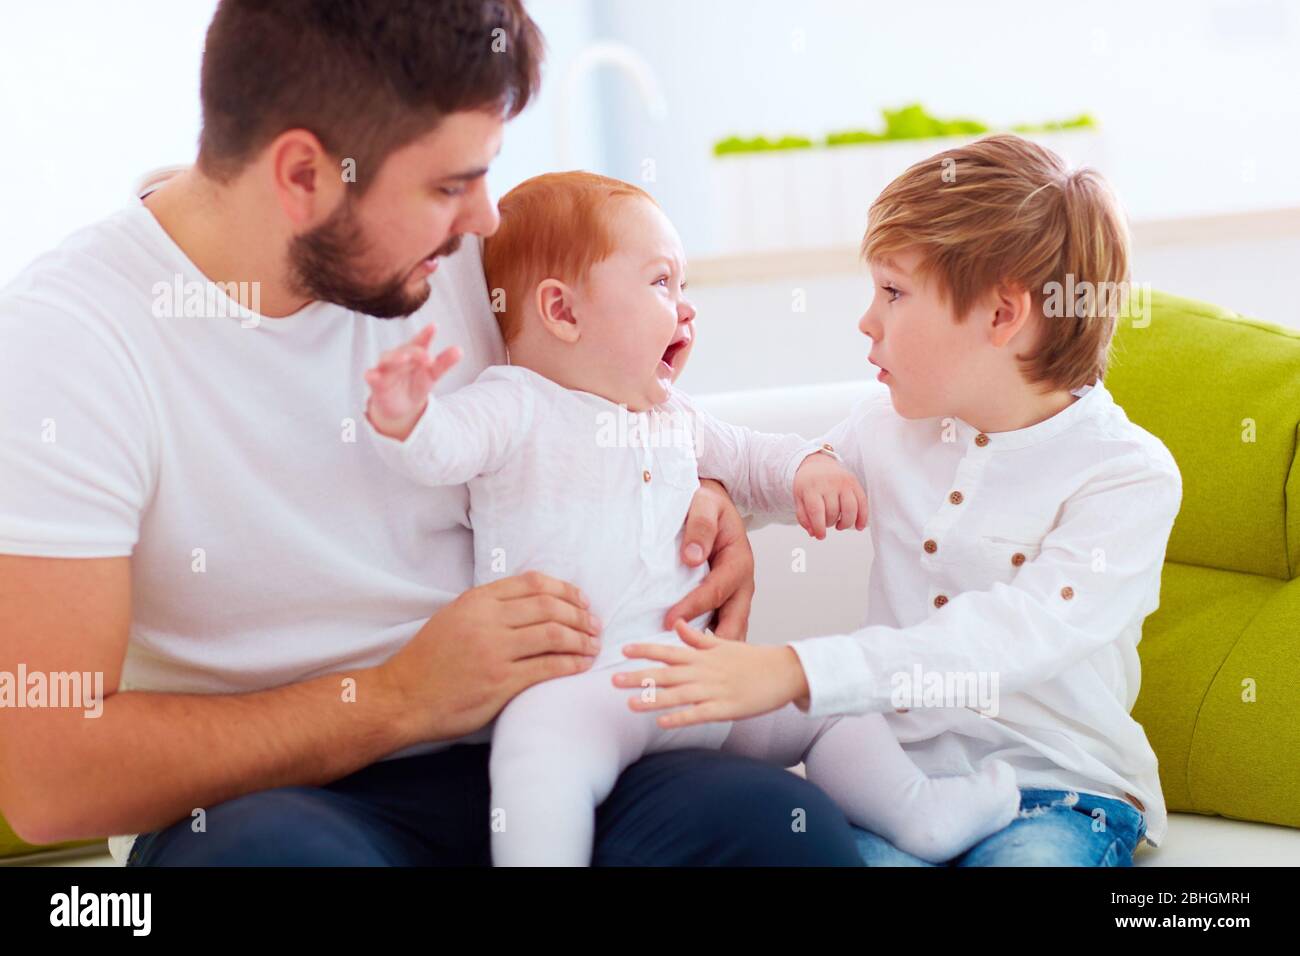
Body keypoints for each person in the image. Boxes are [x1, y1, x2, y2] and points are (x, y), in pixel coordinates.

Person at [0, 0, 862, 867]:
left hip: (556, 740)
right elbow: (48, 778)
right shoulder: (72, 342)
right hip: (274, 804)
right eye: (450, 186)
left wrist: (703, 501)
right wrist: (397, 698)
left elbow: (619, 418)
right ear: (304, 174)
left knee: (781, 834)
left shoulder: (468, 268)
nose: (485, 220)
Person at [362, 171, 1020, 865]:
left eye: (685, 287)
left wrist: (808, 470)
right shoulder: (517, 405)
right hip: (588, 692)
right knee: (536, 736)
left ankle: (920, 812)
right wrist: (407, 417)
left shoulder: (673, 417)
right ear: (562, 311)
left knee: (829, 700)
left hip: (700, 682)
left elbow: (751, 455)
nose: (686, 309)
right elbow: (442, 450)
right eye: (661, 284)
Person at [618, 134, 1182, 867]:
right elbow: (781, 477)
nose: (866, 320)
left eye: (893, 291)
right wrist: (715, 491)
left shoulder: (1125, 475)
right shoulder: (887, 427)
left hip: (1057, 792)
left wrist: (797, 669)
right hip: (898, 788)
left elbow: (1003, 638)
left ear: (1002, 315)